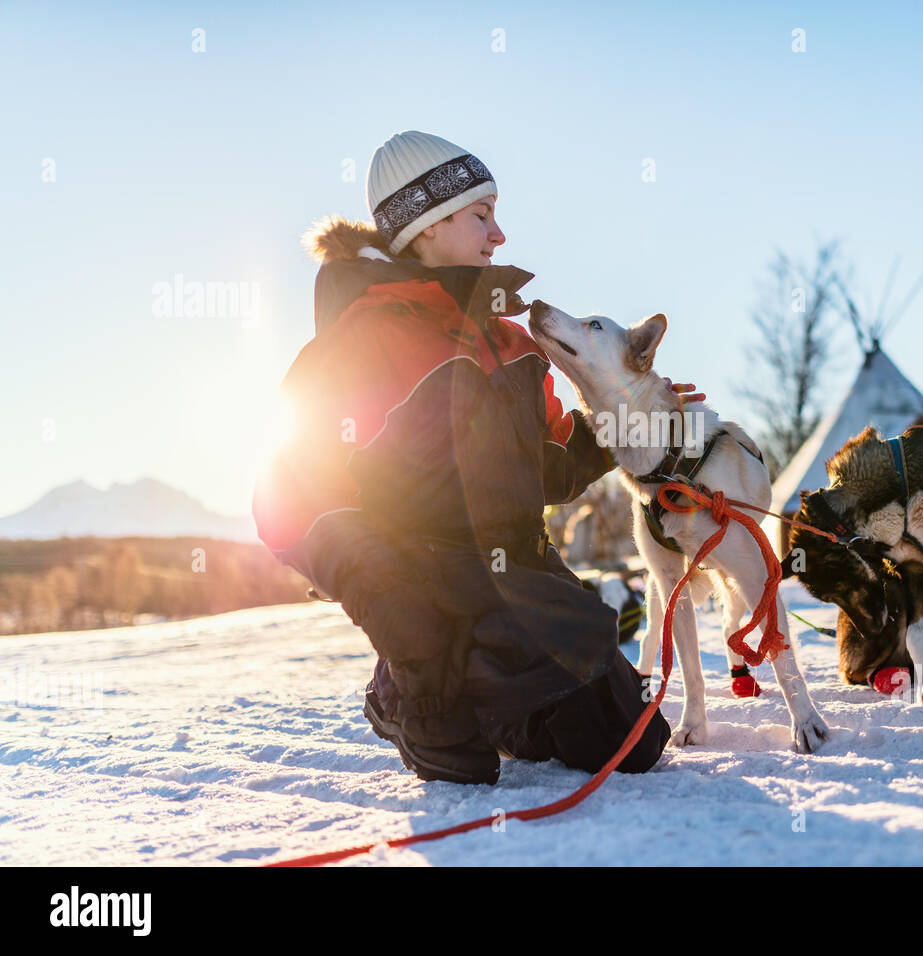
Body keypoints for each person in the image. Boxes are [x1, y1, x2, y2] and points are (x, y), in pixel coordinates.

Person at [252, 130, 678, 784]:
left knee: (633, 740)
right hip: (420, 580)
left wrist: (626, 416)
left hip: (521, 574)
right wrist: (377, 589)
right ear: (424, 228)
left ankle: (489, 695)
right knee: (460, 766)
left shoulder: (512, 341)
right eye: (482, 215)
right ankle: (410, 688)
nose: (500, 234)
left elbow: (552, 469)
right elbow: (285, 491)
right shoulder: (367, 336)